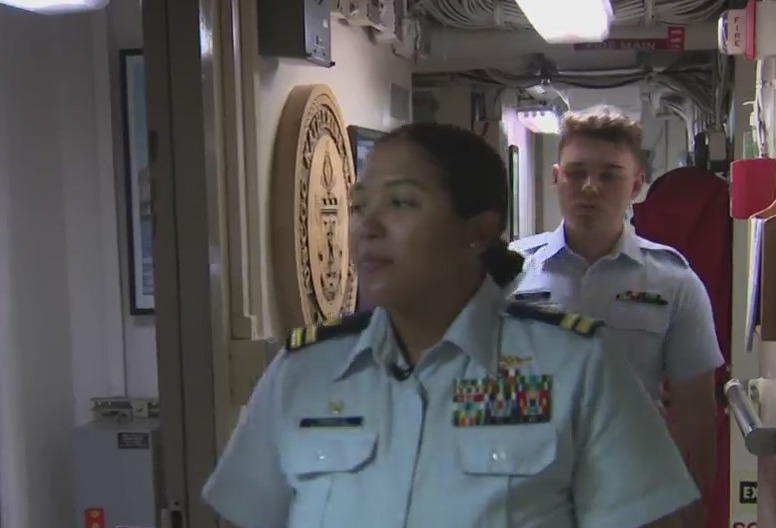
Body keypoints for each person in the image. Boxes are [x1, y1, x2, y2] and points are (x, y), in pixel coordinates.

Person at [202, 122, 699, 528]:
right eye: (359, 206)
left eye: (401, 203)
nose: (367, 227)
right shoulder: (304, 373)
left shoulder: (576, 367)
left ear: (477, 231)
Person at [509, 105, 725, 526]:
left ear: (636, 185)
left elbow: (697, 416)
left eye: (609, 175)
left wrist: (690, 518)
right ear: (556, 177)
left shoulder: (673, 282)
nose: (589, 187)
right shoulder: (508, 275)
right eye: (575, 173)